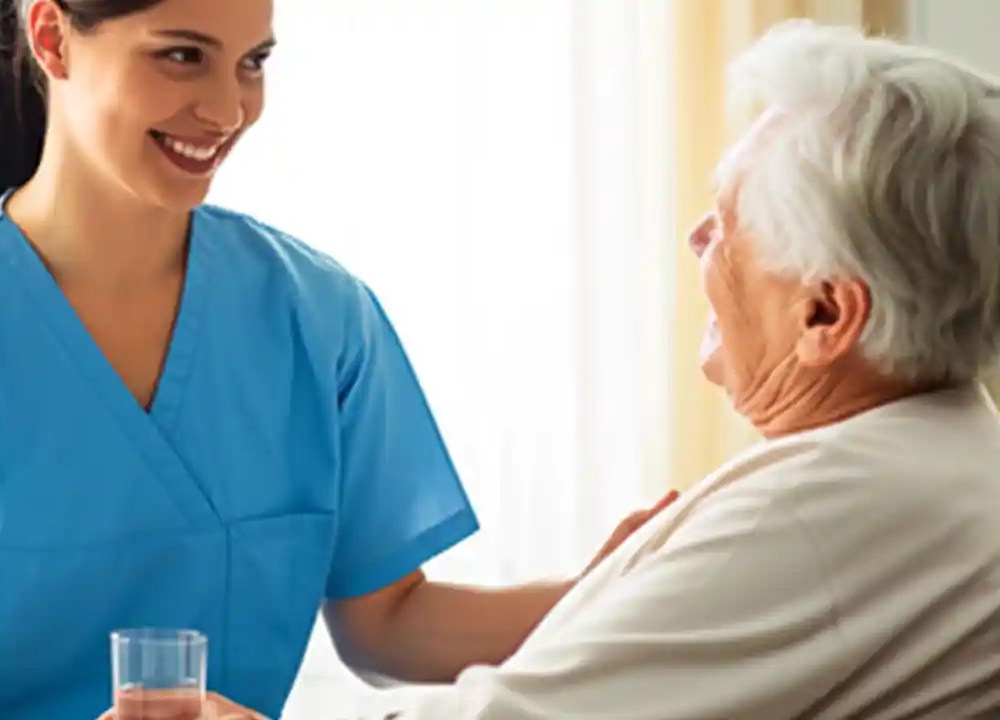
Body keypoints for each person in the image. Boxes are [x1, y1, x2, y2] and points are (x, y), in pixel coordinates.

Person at [0, 1, 674, 719]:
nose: (229, 109)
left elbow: (389, 623)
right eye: (181, 54)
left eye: (253, 62)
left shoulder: (319, 318)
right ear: (53, 37)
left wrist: (620, 586)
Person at [310, 20, 1000, 720]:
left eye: (729, 223)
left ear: (824, 314)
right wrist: (616, 600)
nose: (697, 236)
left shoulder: (830, 506)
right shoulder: (957, 447)